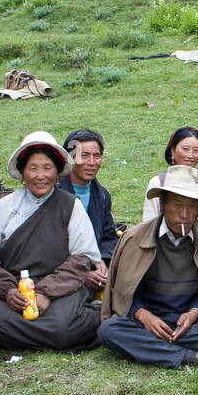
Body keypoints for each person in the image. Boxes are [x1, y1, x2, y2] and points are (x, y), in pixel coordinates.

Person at [98, 165, 198, 368]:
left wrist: (195, 312)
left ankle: (155, 349)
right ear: (163, 203)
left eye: (192, 207)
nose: (184, 214)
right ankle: (190, 357)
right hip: (147, 320)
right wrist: (143, 315)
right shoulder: (134, 239)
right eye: (177, 205)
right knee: (109, 330)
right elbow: (123, 290)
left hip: (191, 322)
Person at [0, 132, 101, 351]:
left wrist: (45, 292)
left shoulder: (70, 205)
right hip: (16, 288)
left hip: (60, 287)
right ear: (23, 173)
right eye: (33, 168)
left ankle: (88, 317)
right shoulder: (5, 207)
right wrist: (8, 291)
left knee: (62, 327)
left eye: (47, 168)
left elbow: (82, 259)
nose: (40, 175)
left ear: (57, 172)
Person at [59, 128, 118, 298]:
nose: (92, 162)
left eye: (96, 156)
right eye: (84, 156)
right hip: (62, 272)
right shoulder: (55, 193)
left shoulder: (102, 195)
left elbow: (109, 236)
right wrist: (82, 275)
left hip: (94, 268)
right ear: (69, 158)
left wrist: (104, 264)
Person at [142, 127, 198, 231]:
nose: (190, 155)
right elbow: (149, 223)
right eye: (185, 149)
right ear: (172, 150)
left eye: (196, 150)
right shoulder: (158, 182)